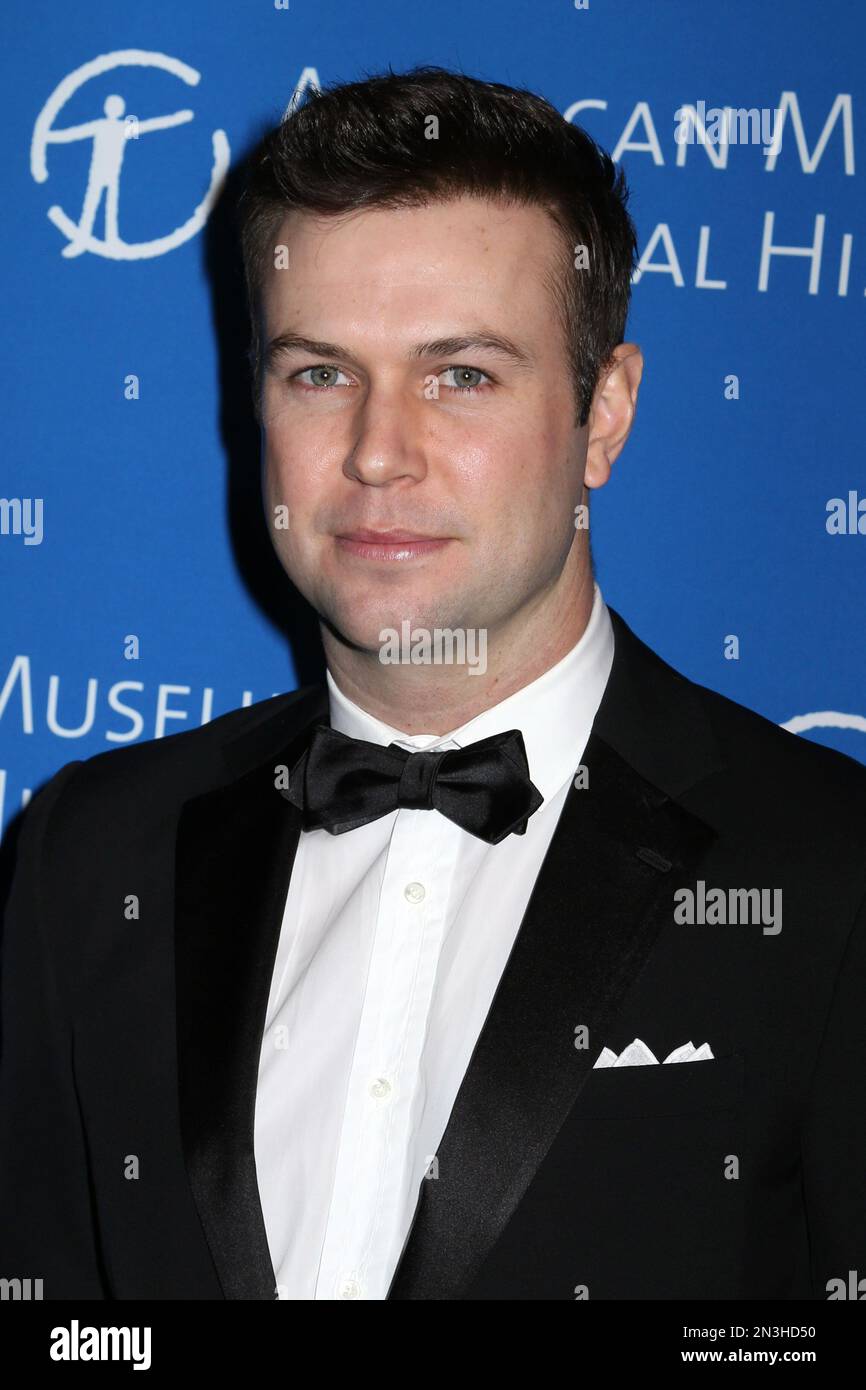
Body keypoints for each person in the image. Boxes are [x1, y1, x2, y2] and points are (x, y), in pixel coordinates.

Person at [1, 66, 864, 1301]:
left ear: (602, 414)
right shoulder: (91, 857)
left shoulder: (829, 874)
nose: (375, 452)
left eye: (459, 374)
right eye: (318, 372)